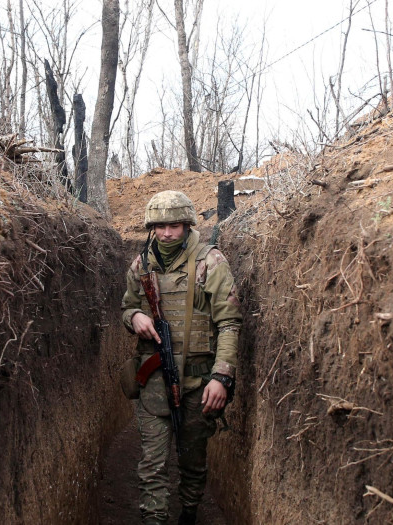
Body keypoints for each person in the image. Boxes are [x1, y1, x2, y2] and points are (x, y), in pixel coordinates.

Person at [121, 190, 242, 525]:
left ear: (187, 224)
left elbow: (229, 322)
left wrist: (221, 376)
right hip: (155, 382)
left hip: (199, 382)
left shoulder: (211, 262)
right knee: (152, 465)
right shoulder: (140, 265)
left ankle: (189, 513)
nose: (167, 233)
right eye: (160, 226)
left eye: (174, 225)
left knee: (192, 461)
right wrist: (134, 318)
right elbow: (127, 306)